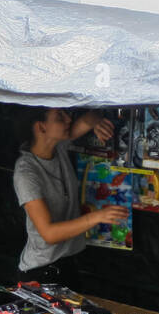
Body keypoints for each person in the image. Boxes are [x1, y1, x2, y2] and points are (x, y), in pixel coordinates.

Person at [12, 107, 128, 284]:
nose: (68, 119)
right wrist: (97, 217)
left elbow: (90, 117)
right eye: (60, 117)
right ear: (41, 127)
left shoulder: (59, 147)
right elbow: (49, 234)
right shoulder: (26, 173)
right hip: (40, 273)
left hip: (67, 264)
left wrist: (97, 122)